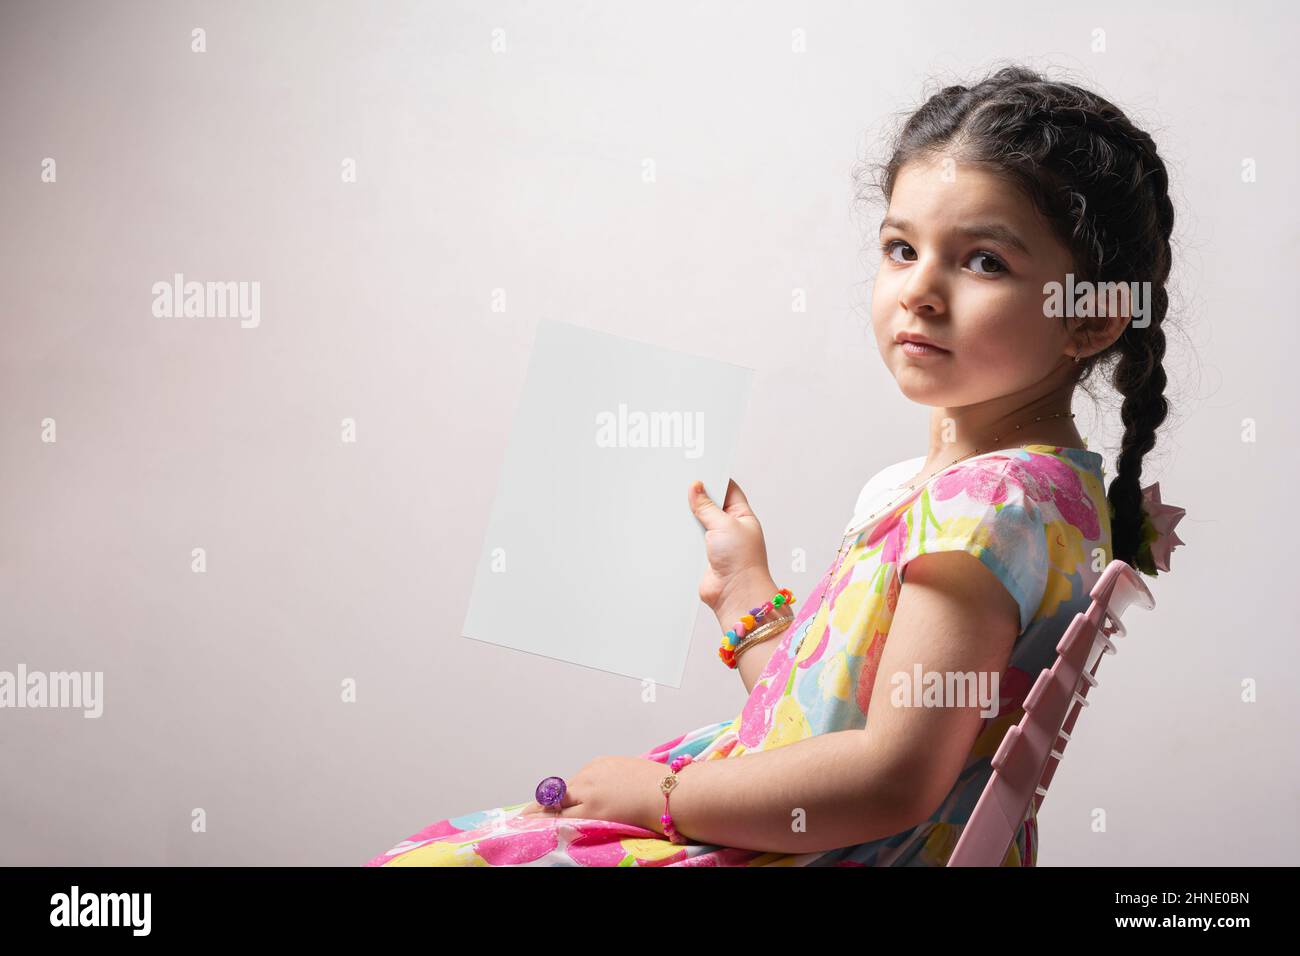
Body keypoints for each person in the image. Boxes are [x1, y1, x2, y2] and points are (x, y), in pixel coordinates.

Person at [364, 64, 1187, 867]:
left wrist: (664, 798)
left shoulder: (987, 503)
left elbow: (891, 778)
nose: (920, 291)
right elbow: (830, 719)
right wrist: (748, 600)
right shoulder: (1030, 491)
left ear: (1091, 318)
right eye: (902, 249)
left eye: (984, 263)